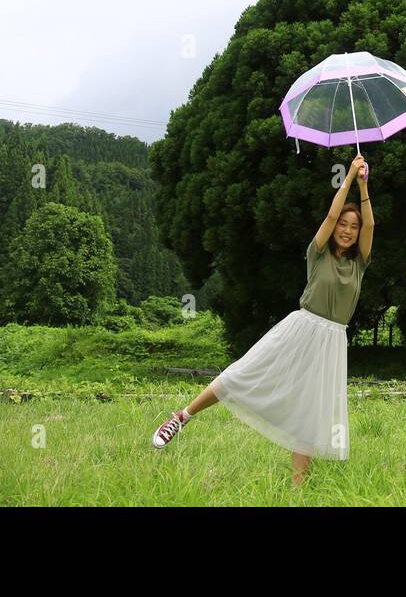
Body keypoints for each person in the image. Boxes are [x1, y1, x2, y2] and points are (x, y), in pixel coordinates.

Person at [152, 153, 373, 486]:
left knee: (310, 415)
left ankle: (296, 489)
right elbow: (331, 213)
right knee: (243, 372)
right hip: (301, 327)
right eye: (343, 224)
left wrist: (364, 186)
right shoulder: (318, 253)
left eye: (352, 227)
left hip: (332, 341)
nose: (347, 230)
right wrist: (349, 179)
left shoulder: (360, 263)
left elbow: (371, 224)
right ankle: (181, 417)